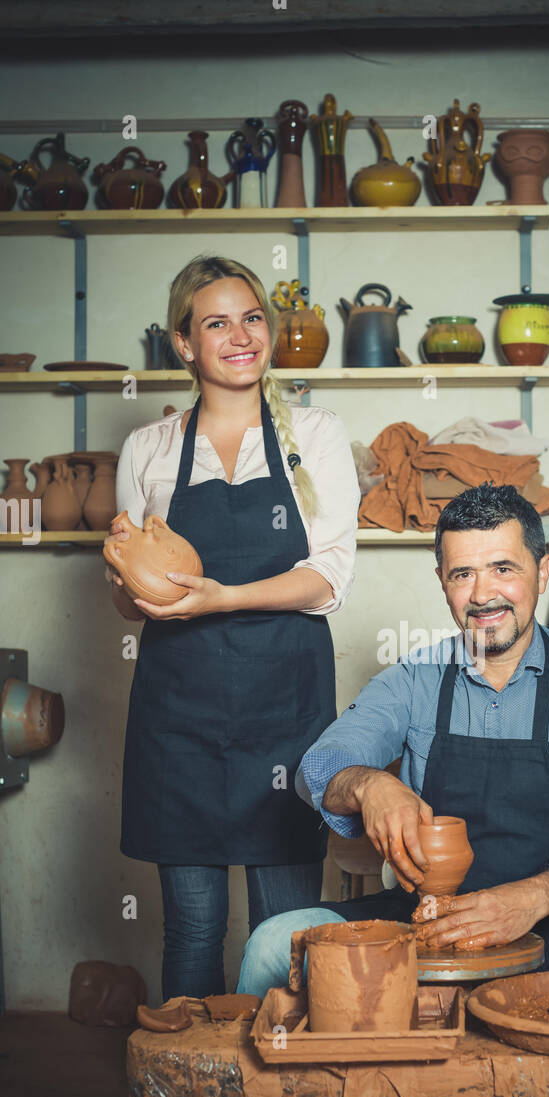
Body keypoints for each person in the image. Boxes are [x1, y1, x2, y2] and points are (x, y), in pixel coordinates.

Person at [239, 483, 549, 994]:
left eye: (503, 568)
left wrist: (530, 899)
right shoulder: (414, 677)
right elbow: (319, 767)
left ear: (541, 573)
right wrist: (367, 785)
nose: (482, 594)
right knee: (273, 941)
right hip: (422, 925)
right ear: (442, 582)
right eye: (462, 574)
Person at [108, 253, 360, 1001]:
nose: (240, 335)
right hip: (176, 718)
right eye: (216, 322)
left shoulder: (314, 435)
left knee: (282, 932)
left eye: (252, 318)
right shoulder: (148, 450)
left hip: (285, 711)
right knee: (190, 928)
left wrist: (218, 598)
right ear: (184, 344)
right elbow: (128, 601)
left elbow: (330, 575)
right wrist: (126, 573)